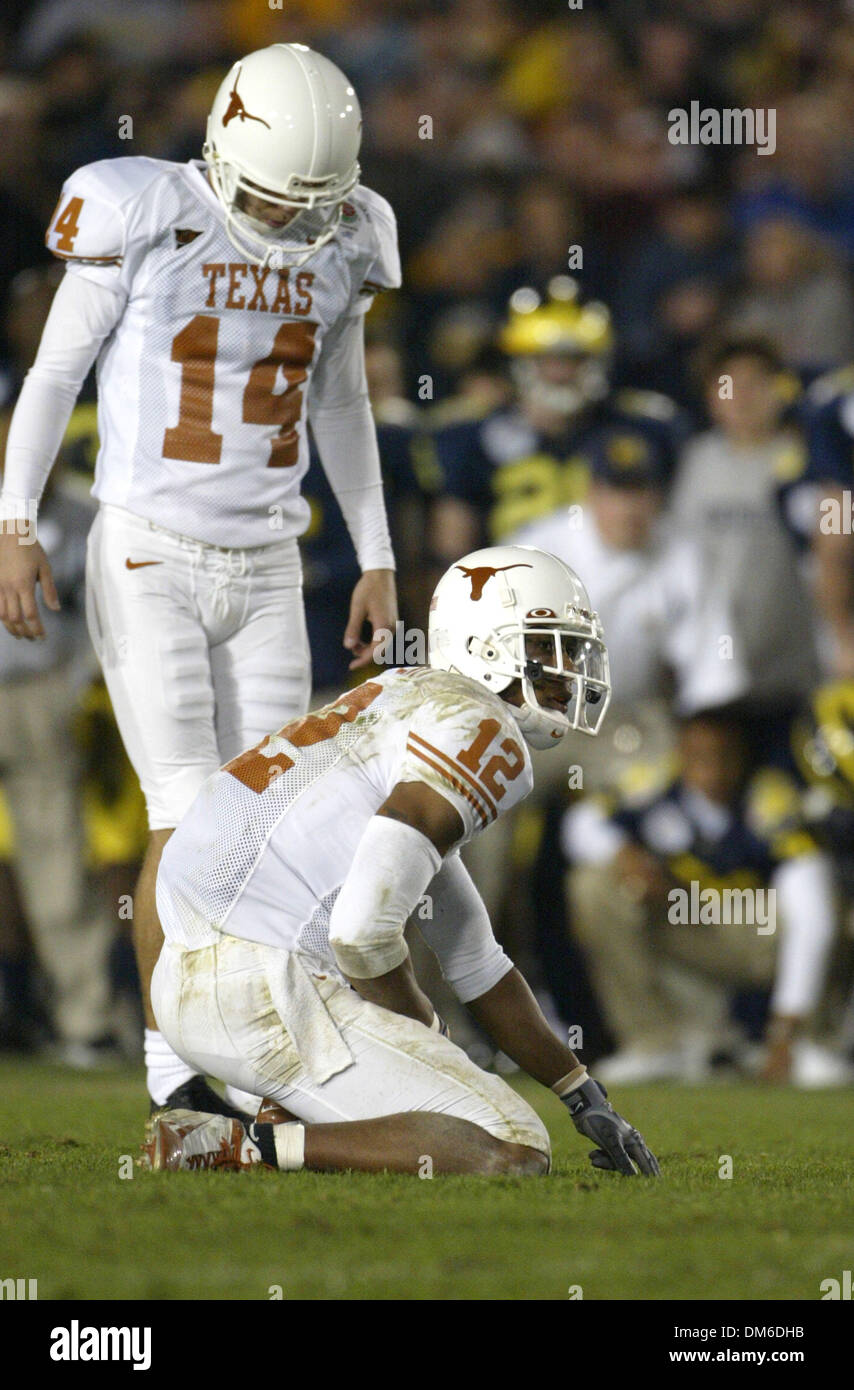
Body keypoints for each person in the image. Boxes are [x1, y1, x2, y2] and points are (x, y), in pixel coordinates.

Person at [0, 44, 400, 1116]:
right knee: (182, 815)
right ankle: (173, 1075)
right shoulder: (142, 209)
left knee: (271, 827)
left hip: (270, 558)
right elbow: (53, 374)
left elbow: (344, 406)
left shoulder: (350, 229)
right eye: (273, 196)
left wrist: (376, 557)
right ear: (222, 145)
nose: (287, 220)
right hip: (149, 551)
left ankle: (259, 1058)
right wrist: (14, 522)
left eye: (309, 201)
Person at [143, 546, 659, 1178]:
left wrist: (581, 1093)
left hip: (200, 973)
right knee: (514, 1147)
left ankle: (280, 1110)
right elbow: (361, 936)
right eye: (550, 649)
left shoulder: (407, 696)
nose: (570, 671)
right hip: (264, 988)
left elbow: (475, 958)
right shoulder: (480, 726)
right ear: (487, 649)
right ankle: (242, 1146)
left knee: (450, 1098)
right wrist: (427, 1037)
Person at [564, 706, 847, 1087]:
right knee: (593, 884)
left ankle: (807, 1040)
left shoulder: (770, 799)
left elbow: (813, 909)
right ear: (681, 753)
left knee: (832, 905)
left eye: (724, 757)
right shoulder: (652, 787)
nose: (712, 771)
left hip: (757, 931)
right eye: (700, 757)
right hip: (686, 921)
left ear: (742, 756)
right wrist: (623, 853)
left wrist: (787, 1026)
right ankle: (654, 1041)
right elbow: (580, 823)